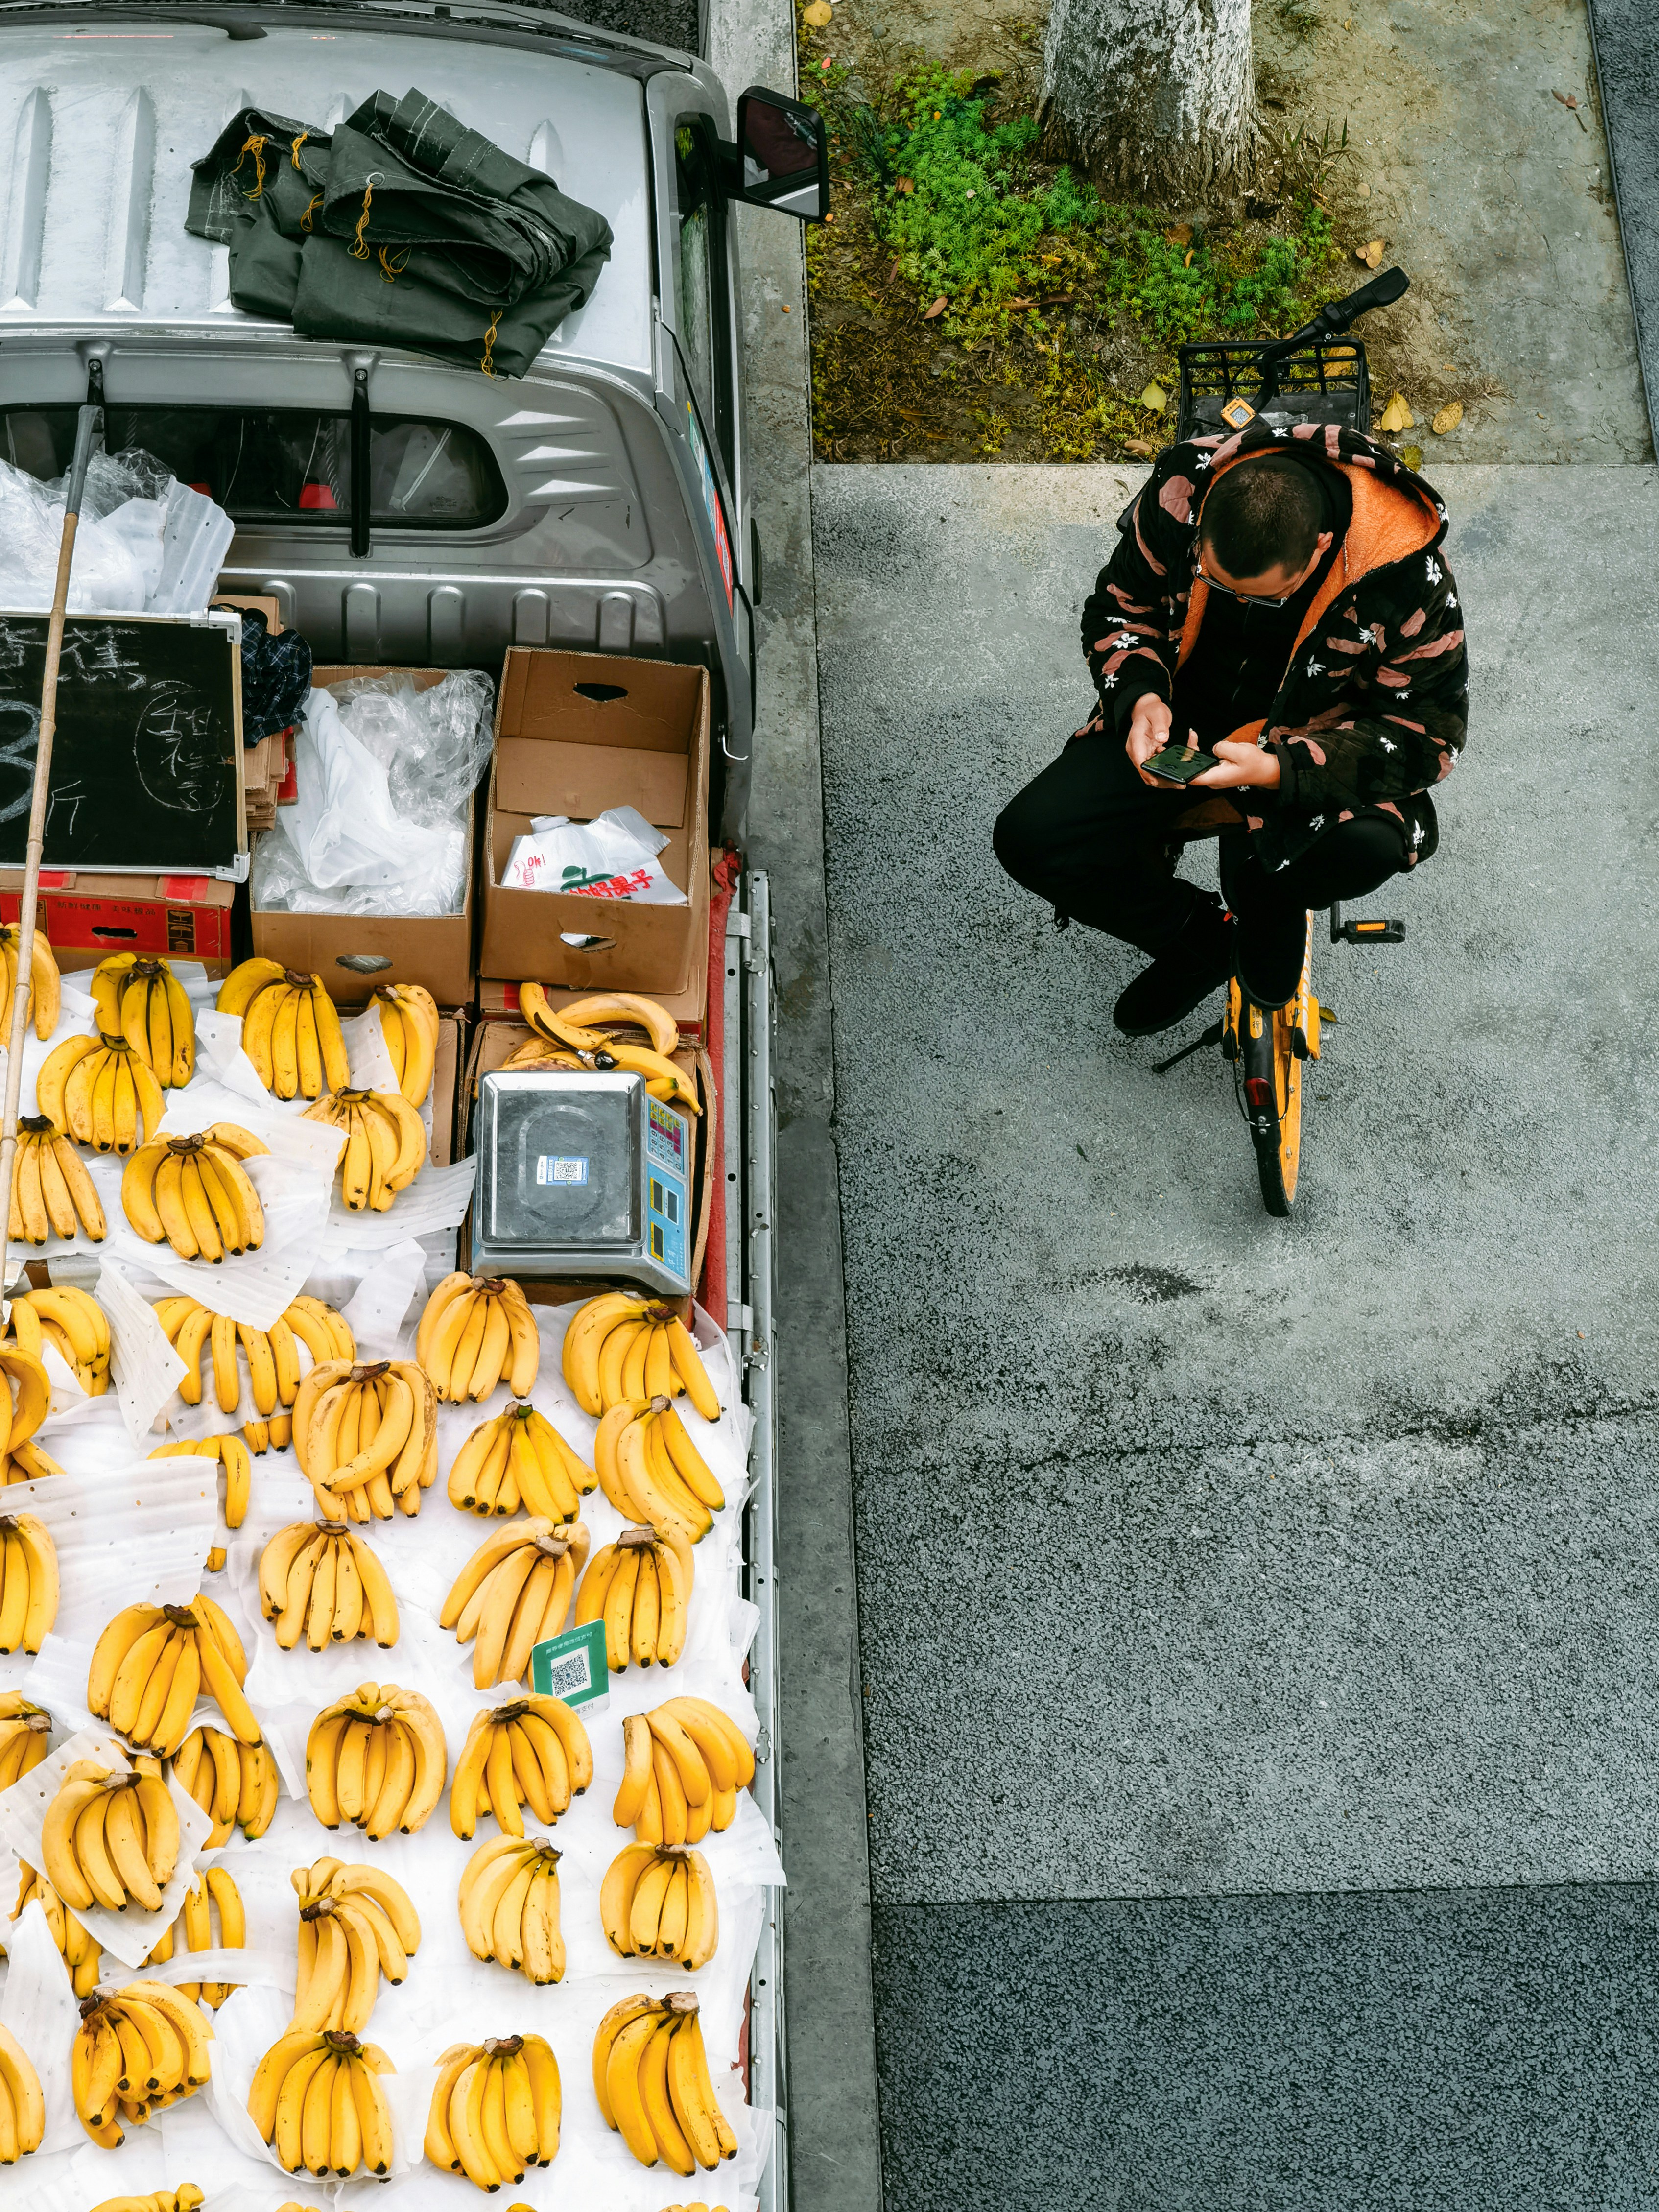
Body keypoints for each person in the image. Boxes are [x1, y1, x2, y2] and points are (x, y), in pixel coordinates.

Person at [993, 420, 1468, 1034]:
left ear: (1322, 547)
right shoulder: (1185, 488)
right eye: (1214, 582)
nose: (1236, 602)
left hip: (1311, 745)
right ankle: (1199, 940)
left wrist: (1280, 769)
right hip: (1179, 724)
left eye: (1266, 598)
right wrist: (1139, 697)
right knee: (1030, 838)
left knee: (1368, 847)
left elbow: (1427, 736)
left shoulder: (1406, 575)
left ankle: (1270, 899)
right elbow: (1120, 606)